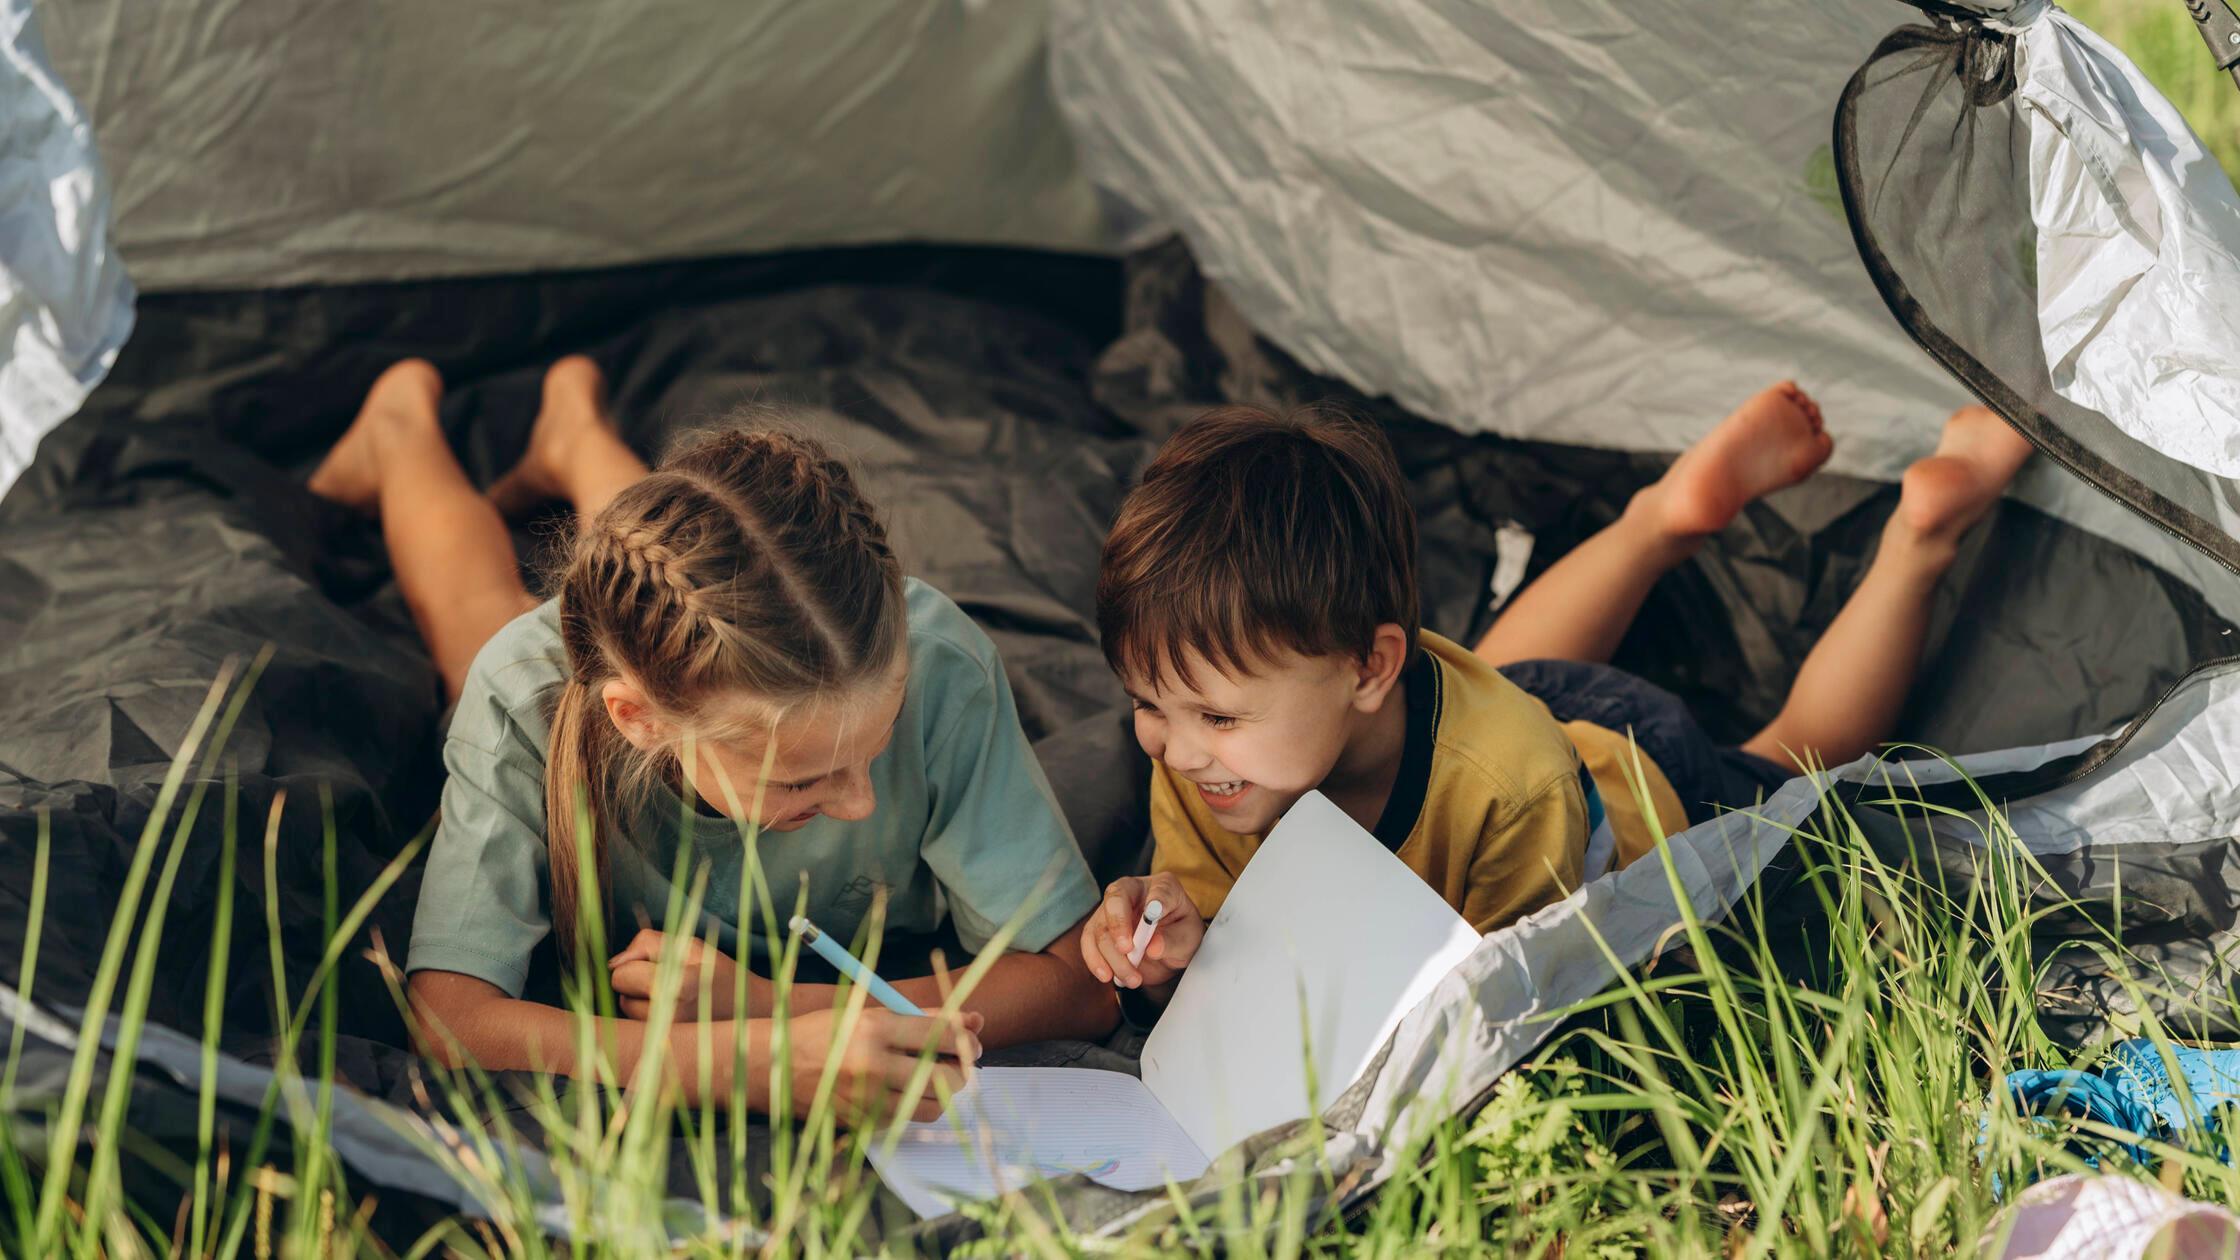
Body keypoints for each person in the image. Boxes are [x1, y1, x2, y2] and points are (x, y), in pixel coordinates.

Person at [308, 356, 1116, 1116]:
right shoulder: (529, 698)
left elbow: (1079, 983)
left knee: (678, 578)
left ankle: (574, 438)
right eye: (803, 780)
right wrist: (756, 1063)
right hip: (572, 676)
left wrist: (771, 1005)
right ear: (639, 721)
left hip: (694, 656)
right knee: (475, 620)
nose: (863, 803)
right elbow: (451, 1024)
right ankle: (401, 428)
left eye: (881, 743)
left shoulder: (934, 660)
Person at [1078, 385, 2033, 1002]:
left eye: (1216, 715)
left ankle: (1922, 536)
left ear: (1369, 667)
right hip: (1494, 700)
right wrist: (1177, 943)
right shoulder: (1212, 760)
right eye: (1150, 703)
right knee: (1489, 671)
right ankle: (1659, 520)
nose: (1170, 744)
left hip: (1633, 783)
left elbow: (1506, 1013)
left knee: (1788, 760)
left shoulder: (1509, 792)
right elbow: (1221, 942)